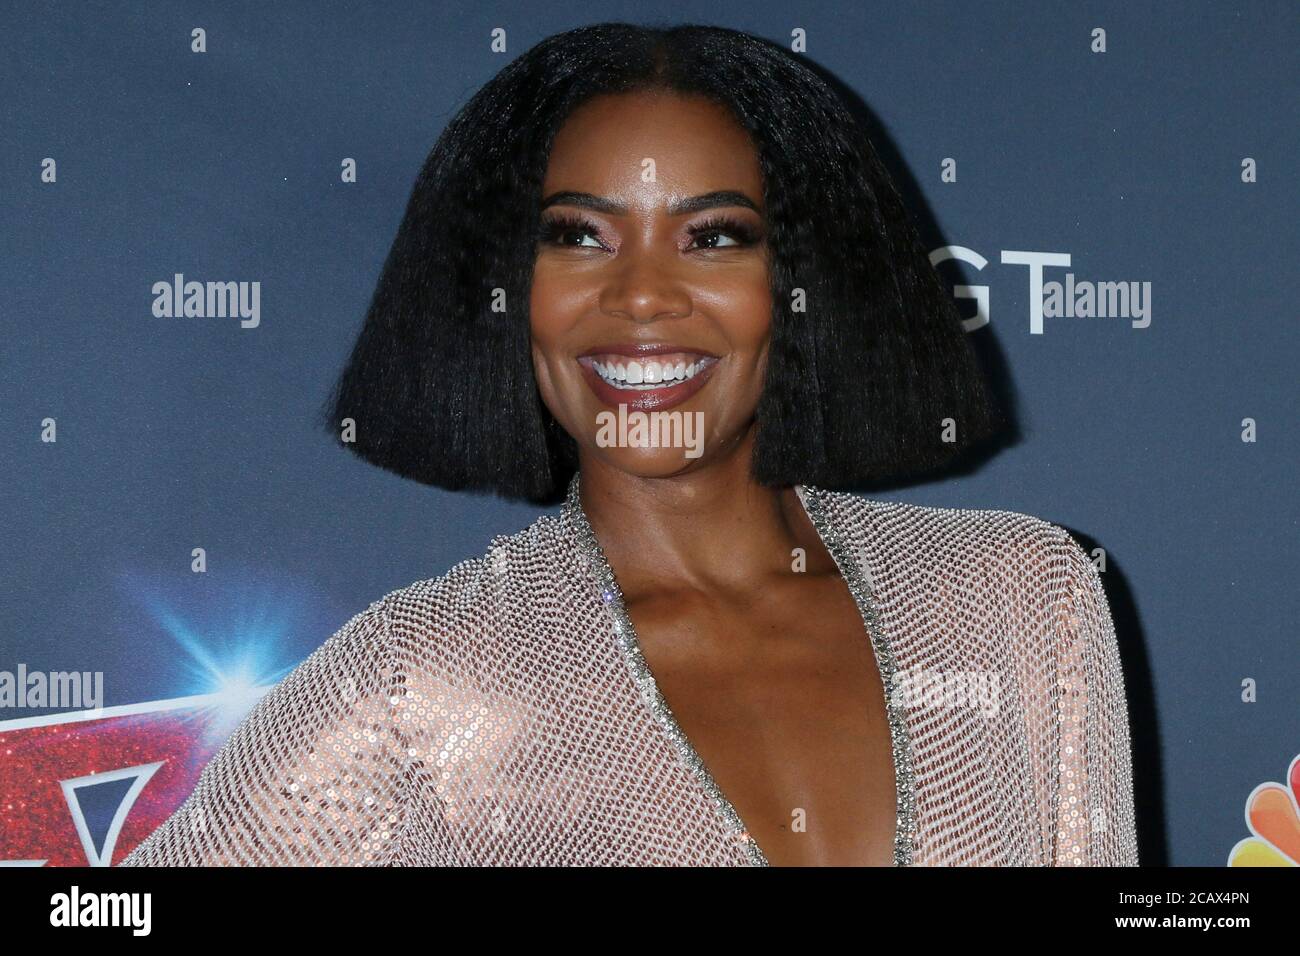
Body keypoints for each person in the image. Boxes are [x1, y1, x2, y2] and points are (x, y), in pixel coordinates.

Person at [119, 22, 1138, 867]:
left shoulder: (1021, 594)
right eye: (577, 234)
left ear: (800, 281)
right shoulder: (417, 682)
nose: (642, 293)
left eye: (714, 235)